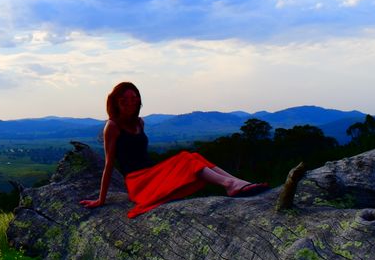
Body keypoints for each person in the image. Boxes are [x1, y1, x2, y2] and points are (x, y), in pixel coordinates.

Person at [79, 81, 269, 218]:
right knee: (187, 158)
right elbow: (109, 164)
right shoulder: (112, 126)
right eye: (124, 99)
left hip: (152, 175)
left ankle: (238, 183)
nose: (130, 102)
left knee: (194, 156)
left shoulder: (140, 123)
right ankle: (230, 185)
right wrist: (100, 200)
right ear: (116, 101)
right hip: (138, 184)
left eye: (134, 98)